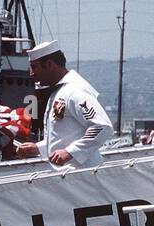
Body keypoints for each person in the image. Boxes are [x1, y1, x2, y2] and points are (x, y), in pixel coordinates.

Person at [13, 40, 112, 168]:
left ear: (49, 64)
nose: (31, 73)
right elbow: (64, 137)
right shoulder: (59, 92)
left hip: (82, 177)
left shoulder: (75, 91)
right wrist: (38, 148)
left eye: (34, 67)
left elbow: (102, 127)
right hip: (67, 177)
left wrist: (70, 152)